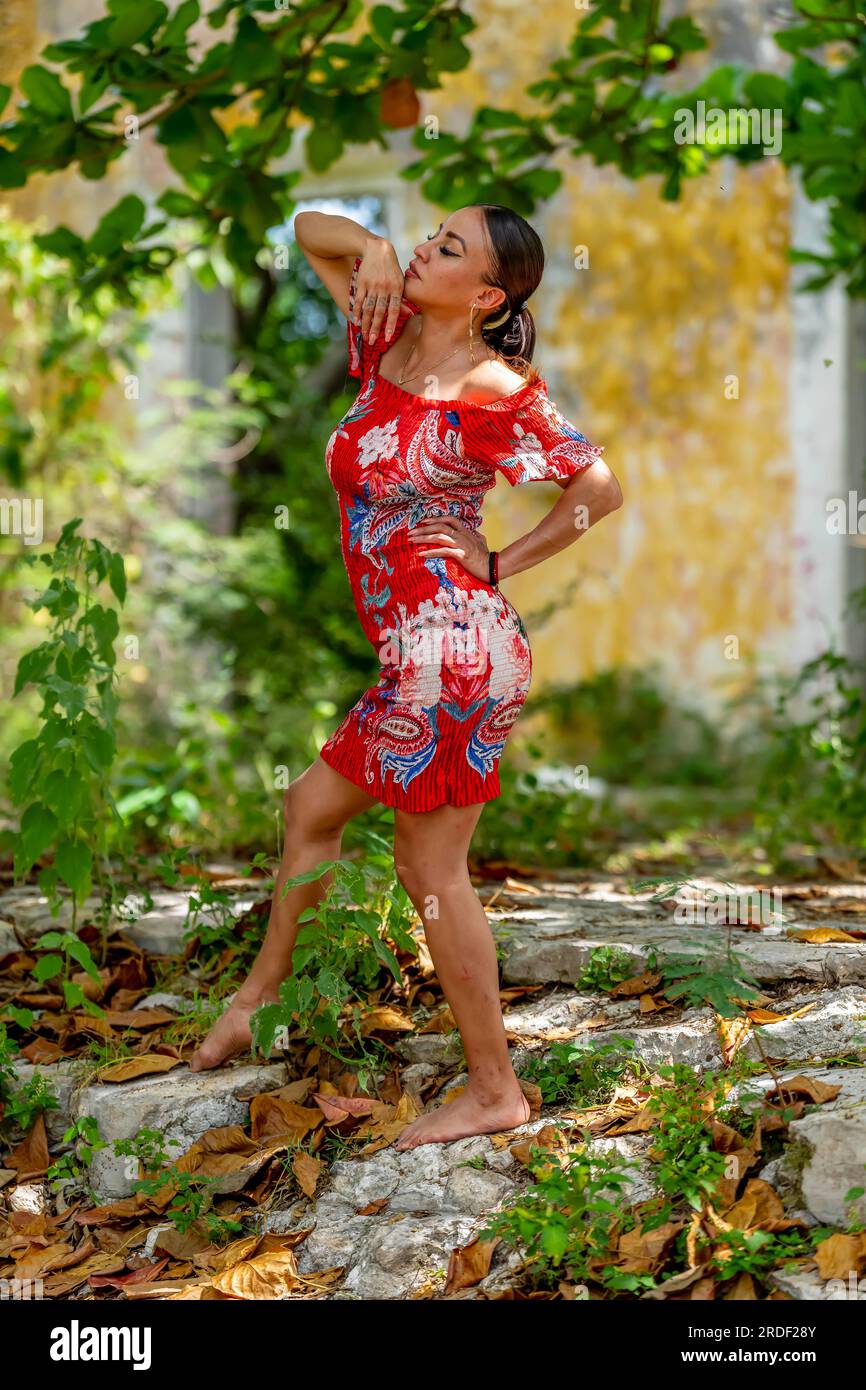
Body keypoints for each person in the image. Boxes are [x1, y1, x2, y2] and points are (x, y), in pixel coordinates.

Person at [190, 204, 623, 1151]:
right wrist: (379, 247)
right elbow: (311, 227)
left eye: (450, 247)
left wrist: (501, 560)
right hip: (412, 653)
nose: (428, 246)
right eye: (429, 232)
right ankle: (255, 1004)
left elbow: (598, 489)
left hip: (456, 649)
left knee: (430, 867)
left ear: (487, 295)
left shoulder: (494, 385)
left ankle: (494, 1091)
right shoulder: (380, 329)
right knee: (311, 808)